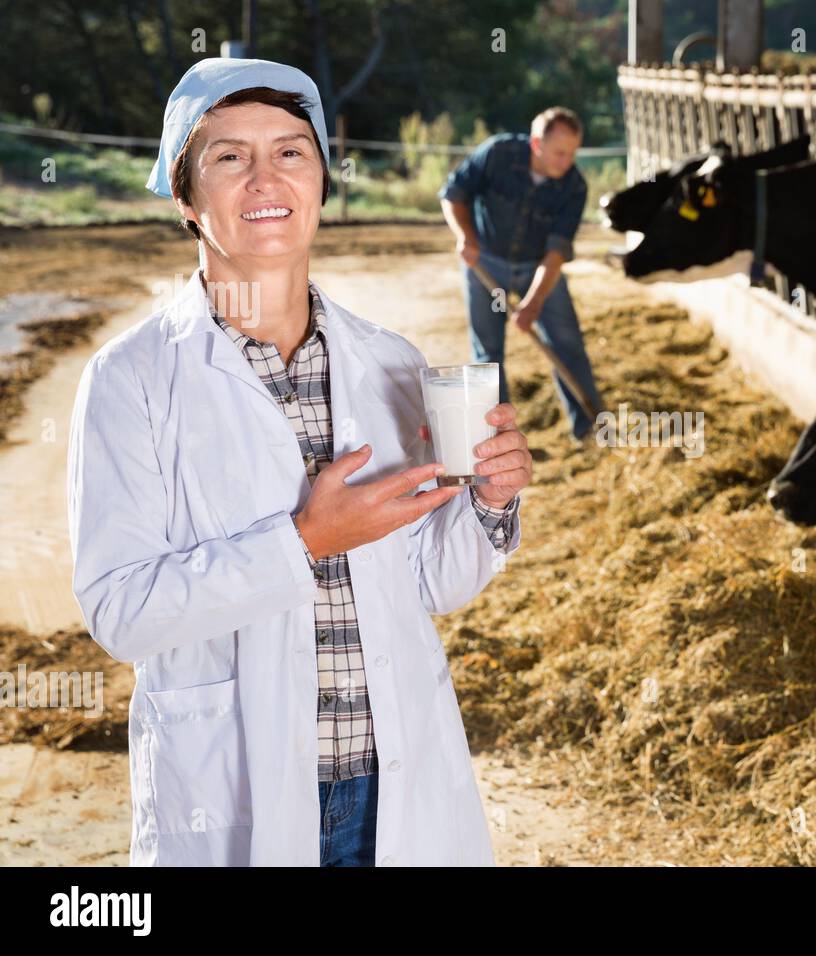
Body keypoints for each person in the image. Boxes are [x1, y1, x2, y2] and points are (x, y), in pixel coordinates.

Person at [66, 57, 533, 866]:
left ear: (321, 182)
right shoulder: (131, 378)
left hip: (395, 786)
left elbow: (429, 582)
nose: (265, 178)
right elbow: (122, 610)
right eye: (228, 157)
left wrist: (487, 503)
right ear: (185, 197)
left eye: (291, 152)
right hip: (235, 792)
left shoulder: (389, 363)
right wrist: (305, 541)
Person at [439, 107, 604, 442]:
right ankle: (499, 437)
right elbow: (454, 194)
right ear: (536, 144)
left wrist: (534, 302)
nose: (566, 161)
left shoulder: (574, 187)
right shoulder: (498, 153)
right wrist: (465, 236)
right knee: (488, 355)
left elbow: (557, 252)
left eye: (572, 153)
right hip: (485, 262)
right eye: (559, 152)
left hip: (538, 268)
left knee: (567, 343)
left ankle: (591, 428)